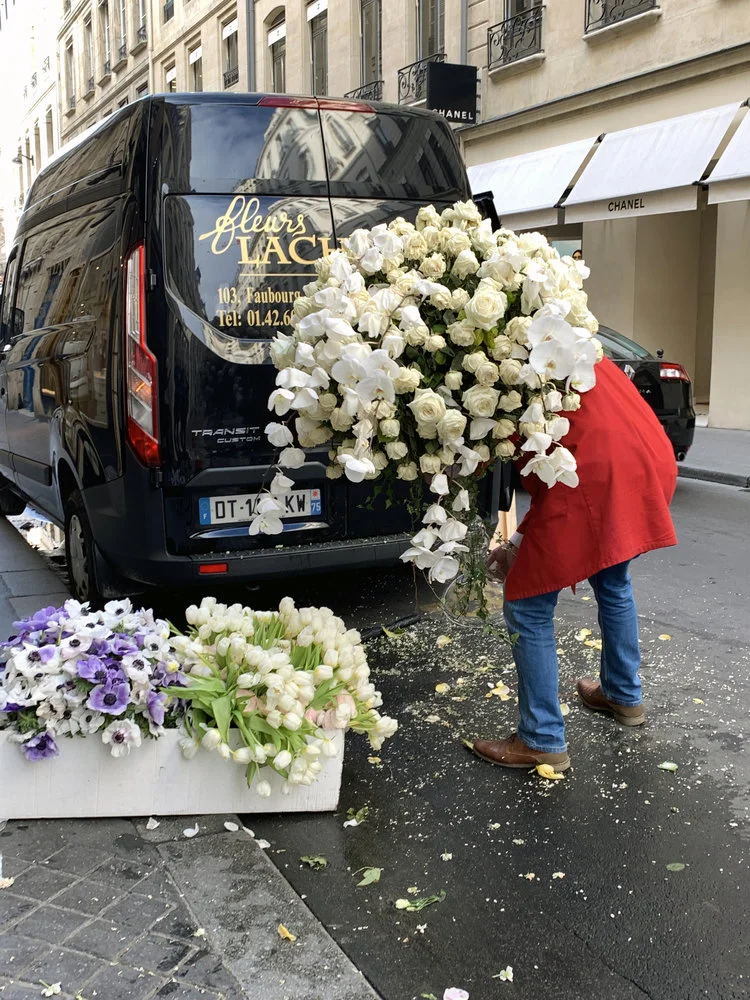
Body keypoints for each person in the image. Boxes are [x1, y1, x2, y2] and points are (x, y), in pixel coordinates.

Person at [472, 355, 677, 772]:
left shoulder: (509, 368)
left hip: (593, 473)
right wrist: (515, 545)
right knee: (613, 576)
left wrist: (514, 549)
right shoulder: (575, 343)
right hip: (642, 458)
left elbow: (548, 480)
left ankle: (541, 738)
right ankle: (623, 694)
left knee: (527, 605)